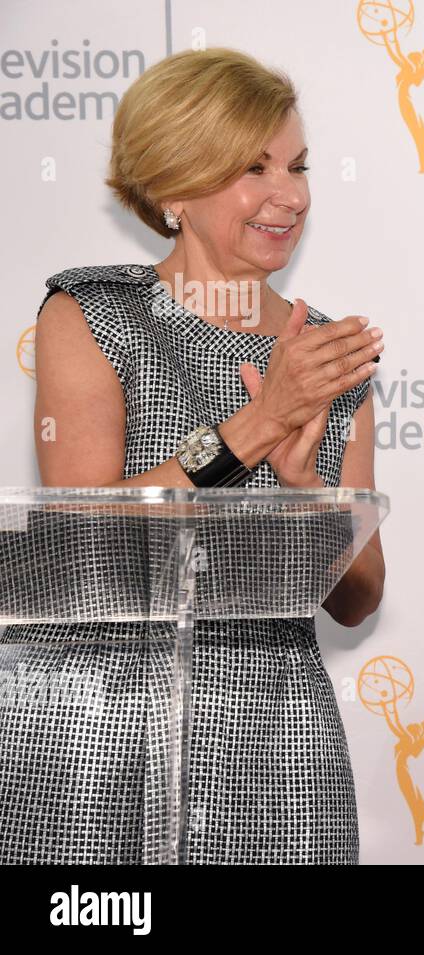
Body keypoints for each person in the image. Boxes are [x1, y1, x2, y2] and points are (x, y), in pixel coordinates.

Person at [0, 48, 385, 863]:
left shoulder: (328, 352)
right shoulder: (91, 314)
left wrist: (306, 486)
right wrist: (256, 424)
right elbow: (81, 537)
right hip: (98, 738)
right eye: (254, 167)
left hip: (276, 747)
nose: (291, 194)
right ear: (174, 189)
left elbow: (358, 599)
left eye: (298, 165)